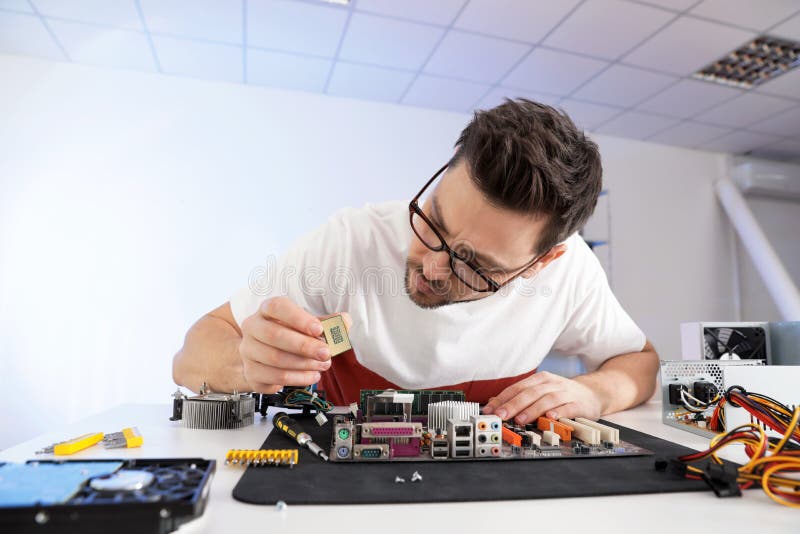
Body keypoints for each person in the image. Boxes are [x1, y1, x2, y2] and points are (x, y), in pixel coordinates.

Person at [173, 99, 659, 425]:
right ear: (445, 170)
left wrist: (595, 393)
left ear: (542, 262)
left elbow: (639, 362)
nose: (432, 267)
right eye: (434, 222)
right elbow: (192, 353)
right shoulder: (349, 243)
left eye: (476, 266)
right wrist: (244, 364)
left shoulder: (572, 273)